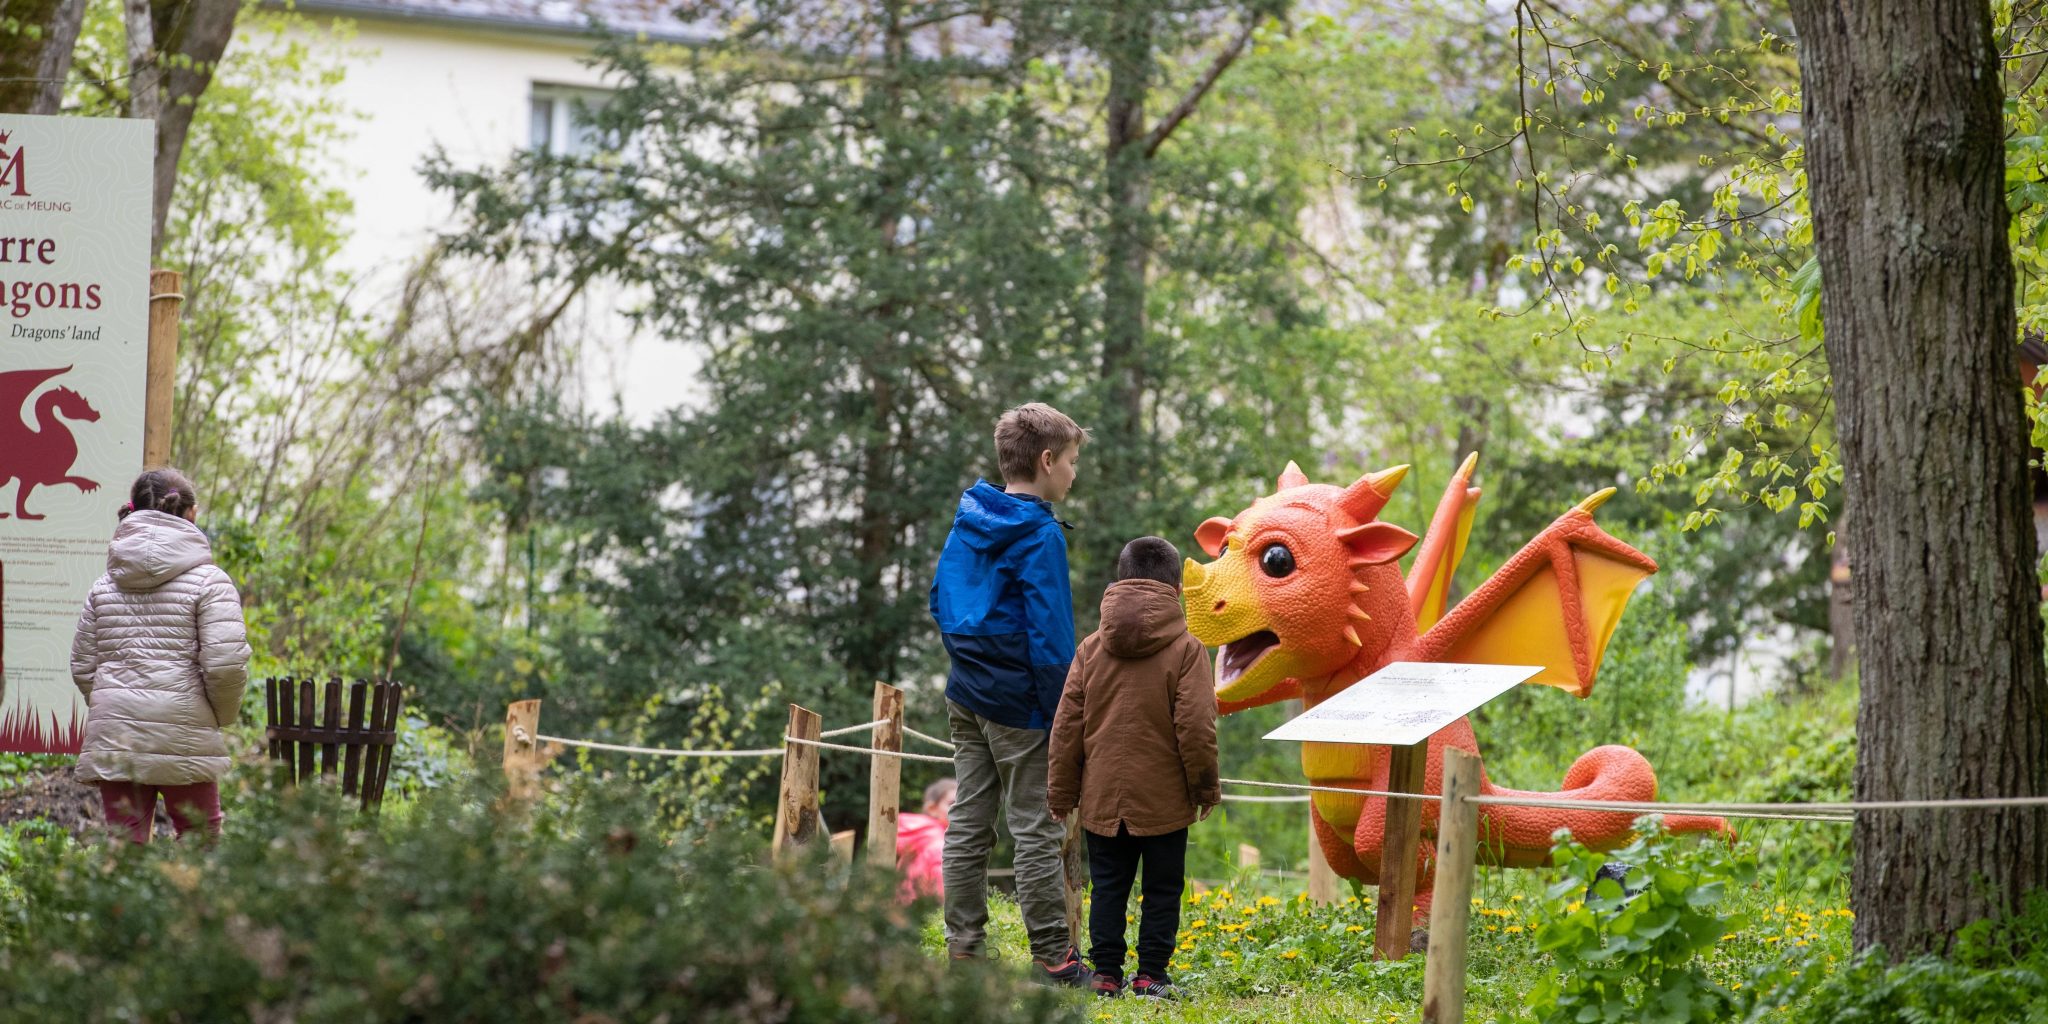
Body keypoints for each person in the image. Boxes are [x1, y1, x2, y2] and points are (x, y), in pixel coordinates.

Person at [929, 401, 1088, 985]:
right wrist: (1064, 714)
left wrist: (968, 665)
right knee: (1036, 828)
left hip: (966, 692)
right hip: (1021, 702)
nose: (1073, 473)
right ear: (1046, 461)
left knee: (969, 820)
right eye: (1071, 462)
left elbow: (936, 599)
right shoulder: (1040, 534)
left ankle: (964, 948)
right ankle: (1053, 955)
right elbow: (1051, 640)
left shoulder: (969, 515)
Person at [1048, 536, 1219, 1000]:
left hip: (1103, 796)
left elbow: (1066, 726)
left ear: (1119, 581)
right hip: (1165, 799)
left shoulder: (1090, 648)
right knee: (1162, 888)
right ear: (1178, 588)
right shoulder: (1187, 649)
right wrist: (1205, 789)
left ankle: (1105, 974)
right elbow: (1197, 727)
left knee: (1108, 887)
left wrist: (1061, 793)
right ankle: (1150, 976)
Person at [70, 468, 251, 844]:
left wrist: (116, 702)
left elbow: (83, 665)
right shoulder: (211, 582)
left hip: (117, 733)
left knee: (125, 844)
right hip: (186, 731)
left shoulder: (103, 587)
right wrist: (220, 716)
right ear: (192, 514)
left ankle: (123, 906)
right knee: (201, 840)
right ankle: (192, 905)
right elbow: (225, 664)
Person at [895, 777, 956, 902]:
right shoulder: (940, 844)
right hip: (926, 914)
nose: (961, 808)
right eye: (952, 803)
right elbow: (943, 895)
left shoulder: (921, 839)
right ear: (932, 809)